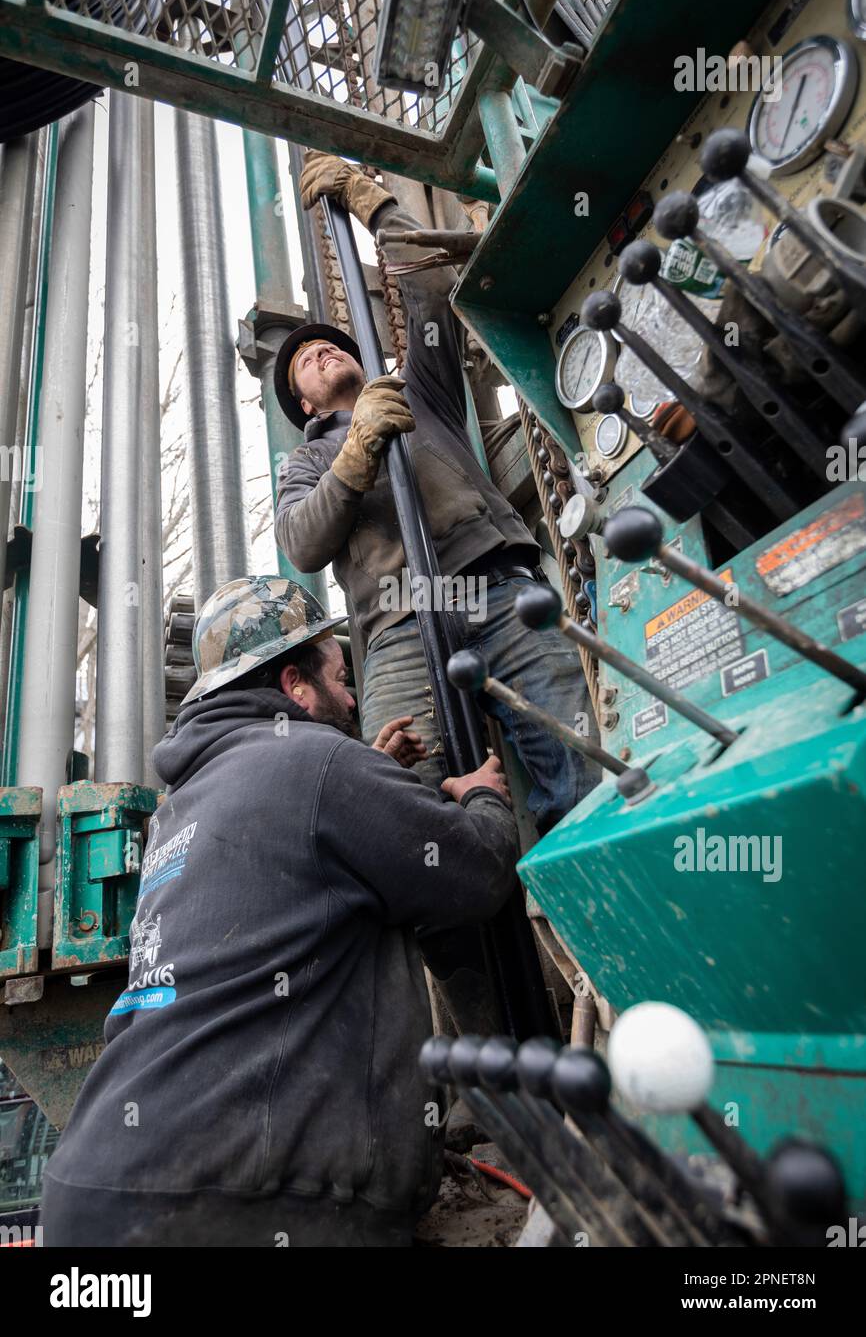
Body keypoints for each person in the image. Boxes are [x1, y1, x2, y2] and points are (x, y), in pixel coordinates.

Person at [39, 577, 517, 1248]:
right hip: (238, 1205)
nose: (353, 699)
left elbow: (298, 862)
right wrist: (483, 799)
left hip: (90, 1199)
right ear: (295, 686)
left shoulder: (181, 808)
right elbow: (478, 872)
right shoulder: (318, 763)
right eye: (342, 677)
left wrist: (370, 780)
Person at [273, 151, 598, 836]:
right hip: (397, 626)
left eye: (333, 345)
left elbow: (431, 291)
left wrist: (373, 202)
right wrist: (356, 455)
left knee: (581, 763)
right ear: (305, 406)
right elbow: (303, 543)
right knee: (402, 806)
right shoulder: (304, 463)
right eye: (307, 359)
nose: (324, 351)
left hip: (499, 590)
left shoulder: (424, 393)